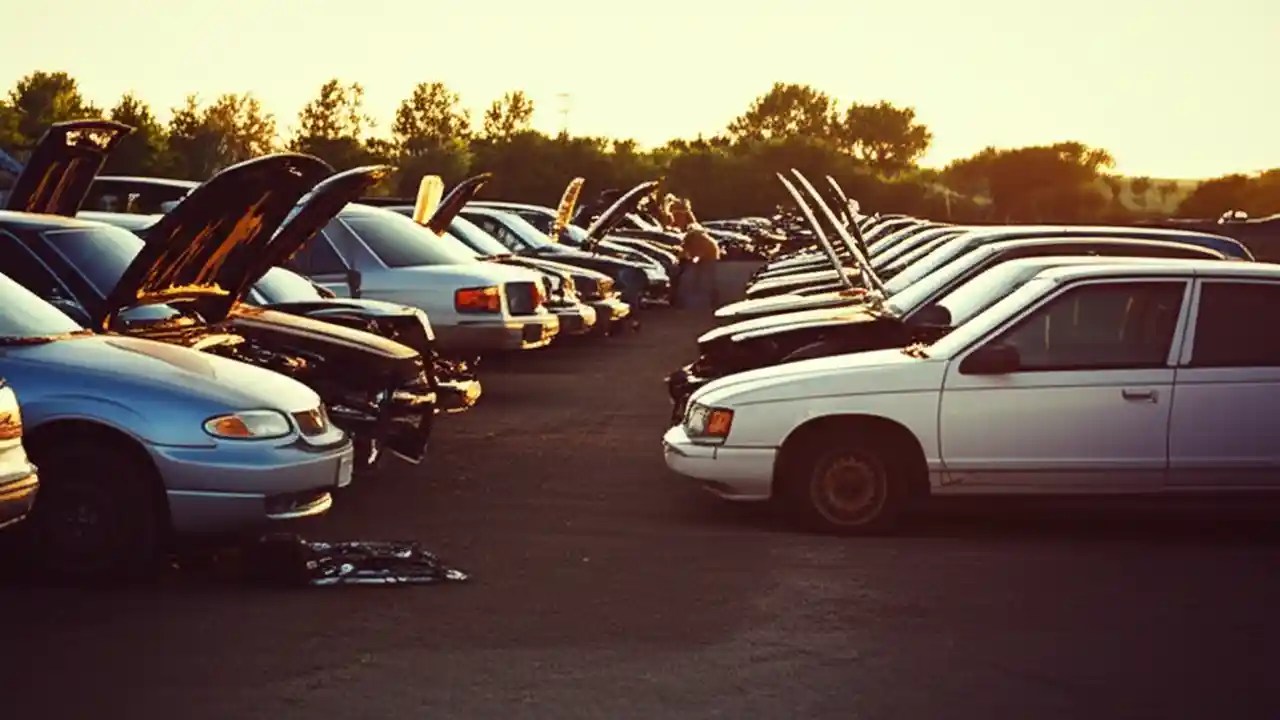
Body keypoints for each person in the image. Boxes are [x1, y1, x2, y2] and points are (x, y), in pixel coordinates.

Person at [670, 197, 721, 309]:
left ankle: (711, 301)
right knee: (703, 279)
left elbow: (696, 248)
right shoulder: (691, 228)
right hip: (706, 255)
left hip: (707, 256)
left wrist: (694, 259)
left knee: (705, 279)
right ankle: (710, 300)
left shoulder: (693, 234)